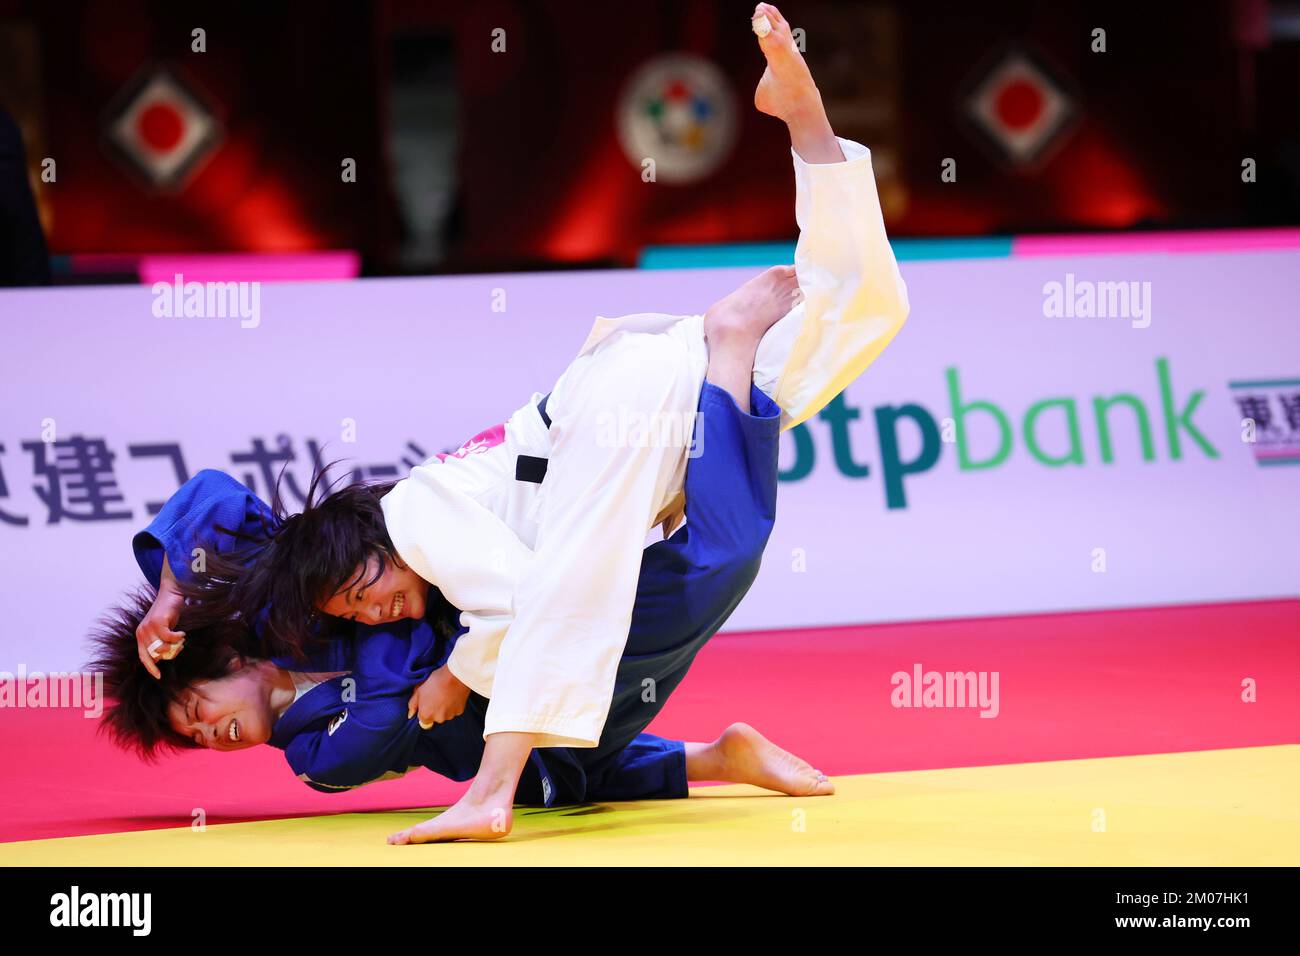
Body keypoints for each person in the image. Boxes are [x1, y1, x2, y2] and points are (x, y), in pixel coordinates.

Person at [174, 2, 908, 841]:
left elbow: (529, 601)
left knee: (575, 580)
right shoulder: (417, 551)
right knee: (864, 312)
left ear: (369, 550)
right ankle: (803, 128)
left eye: (359, 593)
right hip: (665, 399)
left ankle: (490, 794)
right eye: (355, 617)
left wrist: (458, 670)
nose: (372, 615)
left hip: (616, 413)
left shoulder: (411, 513)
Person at [93, 591, 833, 809]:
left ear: (222, 658)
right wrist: (421, 649)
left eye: (193, 707)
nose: (207, 733)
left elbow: (216, 498)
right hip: (486, 740)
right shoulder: (314, 764)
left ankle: (714, 754)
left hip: (507, 637)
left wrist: (171, 593)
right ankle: (716, 756)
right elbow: (389, 712)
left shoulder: (284, 612)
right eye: (192, 739)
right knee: (564, 782)